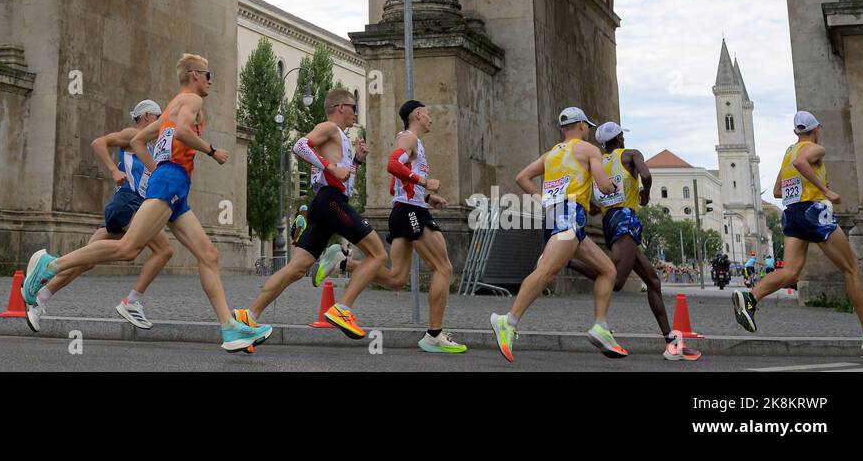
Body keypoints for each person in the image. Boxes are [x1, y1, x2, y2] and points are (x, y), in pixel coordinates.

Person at [21, 54, 272, 353]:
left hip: (174, 185)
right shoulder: (192, 101)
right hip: (172, 181)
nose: (210, 81)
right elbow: (181, 132)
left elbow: (140, 141)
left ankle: (229, 329)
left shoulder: (170, 107)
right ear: (194, 75)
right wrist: (211, 150)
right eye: (208, 75)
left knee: (209, 254)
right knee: (127, 248)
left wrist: (156, 168)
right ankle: (51, 265)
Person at [235, 88, 387, 340]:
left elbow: (343, 176)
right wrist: (330, 167)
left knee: (296, 269)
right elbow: (299, 145)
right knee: (378, 254)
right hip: (331, 202)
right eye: (354, 106)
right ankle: (343, 308)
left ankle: (249, 315)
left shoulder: (340, 137)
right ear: (340, 107)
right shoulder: (328, 127)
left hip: (325, 203)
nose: (356, 112)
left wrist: (356, 162)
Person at [490, 106, 627, 363]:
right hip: (570, 215)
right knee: (546, 272)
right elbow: (602, 183)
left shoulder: (551, 154)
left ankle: (600, 327)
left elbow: (522, 177)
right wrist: (611, 187)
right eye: (587, 126)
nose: (588, 130)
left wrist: (541, 198)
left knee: (607, 270)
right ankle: (507, 321)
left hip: (557, 215)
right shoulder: (589, 150)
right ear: (582, 126)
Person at [732, 111, 863, 353]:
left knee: (790, 273)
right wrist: (825, 190)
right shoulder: (815, 150)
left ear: (796, 132)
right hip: (815, 211)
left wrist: (804, 185)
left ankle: (750, 298)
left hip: (793, 214)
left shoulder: (788, 153)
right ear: (815, 130)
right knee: (851, 269)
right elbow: (803, 163)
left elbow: (778, 190)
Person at [26, 99, 175, 332]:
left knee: (86, 261)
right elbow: (98, 143)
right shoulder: (132, 134)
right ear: (146, 117)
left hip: (130, 205)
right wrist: (114, 170)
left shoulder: (152, 145)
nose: (159, 124)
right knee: (164, 249)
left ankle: (38, 298)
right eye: (157, 118)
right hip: (129, 202)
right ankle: (132, 302)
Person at [566, 121, 700, 360]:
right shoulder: (630, 155)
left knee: (652, 279)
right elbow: (646, 175)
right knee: (616, 281)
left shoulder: (598, 164)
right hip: (626, 219)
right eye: (621, 137)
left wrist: (600, 206)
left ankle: (670, 341)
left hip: (610, 222)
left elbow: (593, 205)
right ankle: (568, 261)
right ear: (619, 139)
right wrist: (645, 193)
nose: (623, 140)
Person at [341, 100, 466, 353]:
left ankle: (343, 263)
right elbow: (392, 165)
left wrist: (428, 198)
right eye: (428, 113)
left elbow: (397, 185)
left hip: (405, 209)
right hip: (411, 212)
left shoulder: (412, 142)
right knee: (443, 268)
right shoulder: (408, 138)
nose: (431, 118)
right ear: (417, 115)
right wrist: (424, 182)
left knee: (397, 278)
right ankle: (434, 334)